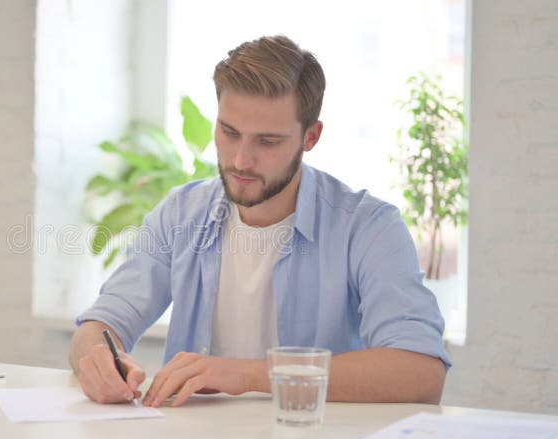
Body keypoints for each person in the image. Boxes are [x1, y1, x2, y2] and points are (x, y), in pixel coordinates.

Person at [69, 35, 450, 408]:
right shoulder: (180, 214)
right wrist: (98, 363)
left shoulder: (369, 228)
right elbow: (102, 326)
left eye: (267, 142)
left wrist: (250, 375)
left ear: (311, 137)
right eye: (229, 133)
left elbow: (421, 371)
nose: (240, 160)